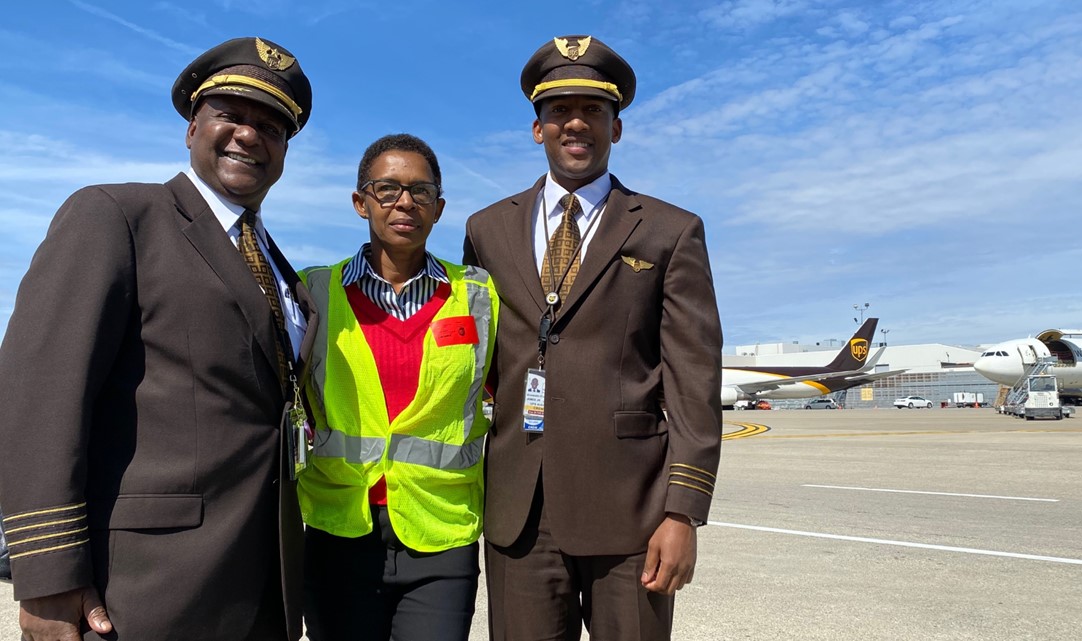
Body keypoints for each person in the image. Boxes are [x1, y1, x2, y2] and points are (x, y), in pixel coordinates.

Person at [0, 37, 316, 640]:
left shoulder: (281, 271)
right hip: (144, 588)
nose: (250, 135)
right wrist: (47, 576)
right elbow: (38, 400)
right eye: (231, 115)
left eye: (272, 127)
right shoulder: (115, 216)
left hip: (259, 589)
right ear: (193, 127)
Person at [463, 35, 724, 640]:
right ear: (537, 128)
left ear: (617, 128)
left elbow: (694, 379)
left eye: (593, 112)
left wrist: (683, 511)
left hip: (632, 516)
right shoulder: (486, 229)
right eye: (559, 111)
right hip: (518, 514)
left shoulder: (669, 230)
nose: (575, 123)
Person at [298, 134, 498, 641]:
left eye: (420, 191)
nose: (404, 202)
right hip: (339, 526)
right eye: (386, 189)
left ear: (439, 208)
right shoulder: (312, 293)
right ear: (360, 202)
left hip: (441, 534)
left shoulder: (479, 297)